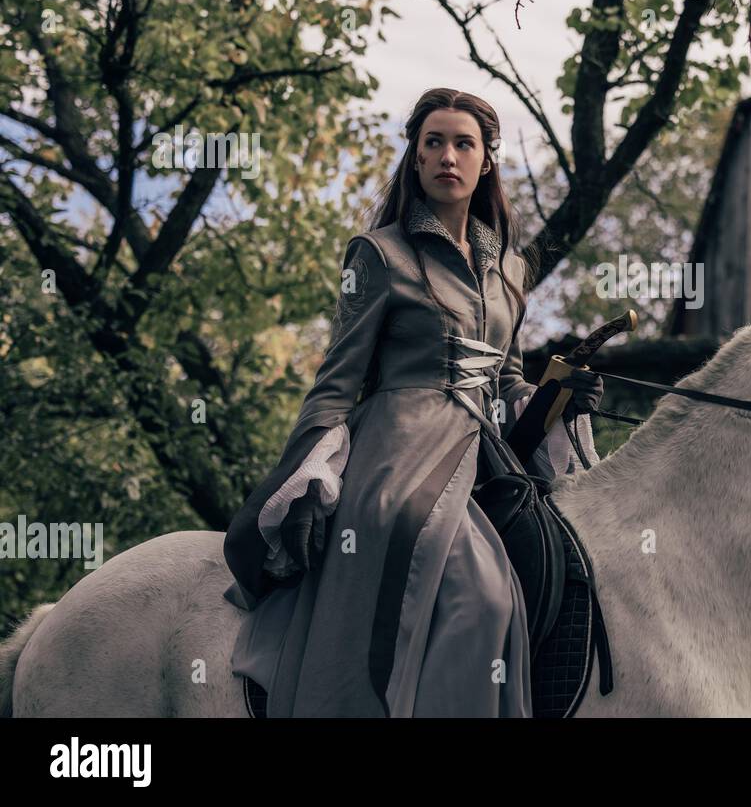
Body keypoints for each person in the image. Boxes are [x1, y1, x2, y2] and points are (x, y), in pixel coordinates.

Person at [222, 88, 603, 717]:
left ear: (486, 162)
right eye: (433, 142)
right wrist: (311, 473)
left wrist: (563, 395)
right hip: (399, 456)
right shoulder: (379, 254)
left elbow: (505, 384)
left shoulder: (510, 270)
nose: (447, 156)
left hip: (488, 452)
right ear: (416, 157)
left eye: (463, 144)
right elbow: (337, 381)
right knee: (484, 600)